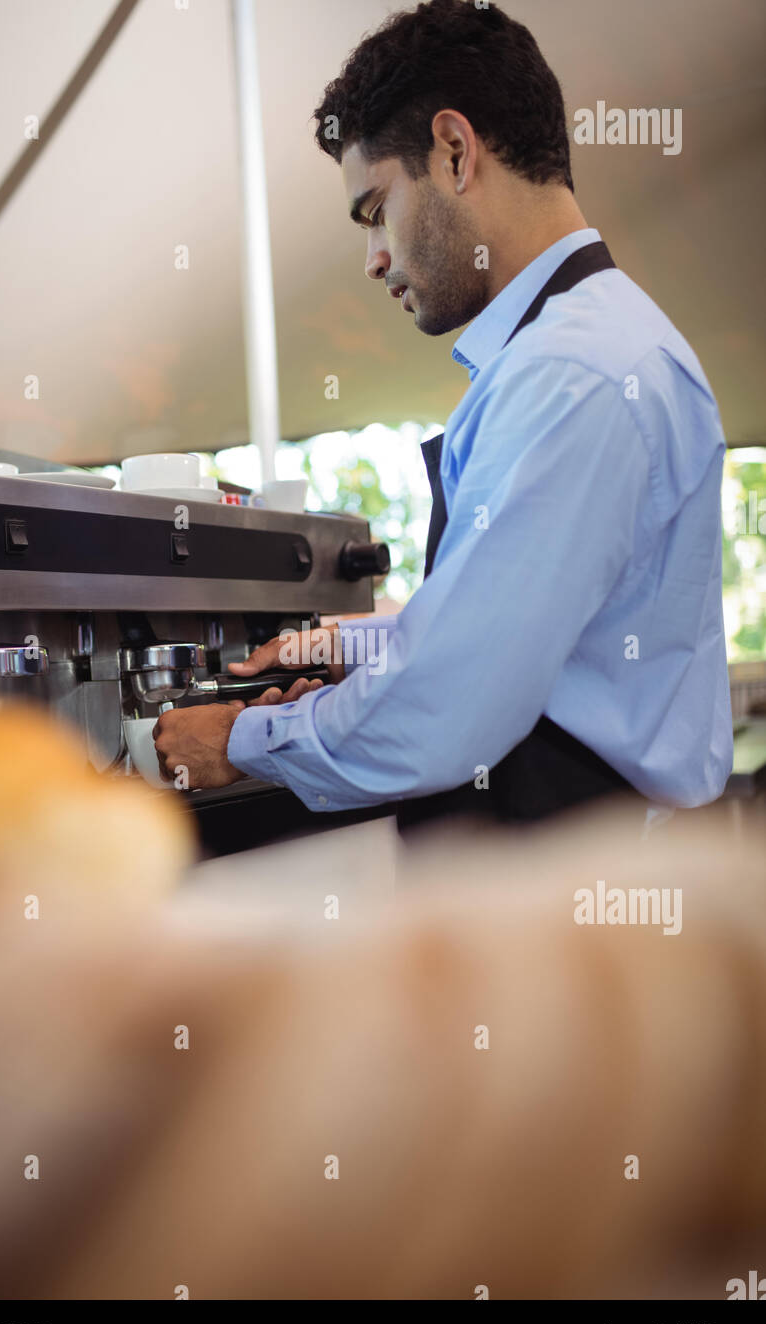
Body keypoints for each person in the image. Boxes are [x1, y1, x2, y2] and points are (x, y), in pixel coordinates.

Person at [154, 0, 732, 830]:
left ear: (455, 152)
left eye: (376, 209)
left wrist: (240, 737)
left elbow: (451, 709)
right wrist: (344, 645)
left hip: (573, 892)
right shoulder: (599, 344)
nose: (374, 258)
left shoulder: (570, 373)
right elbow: (546, 648)